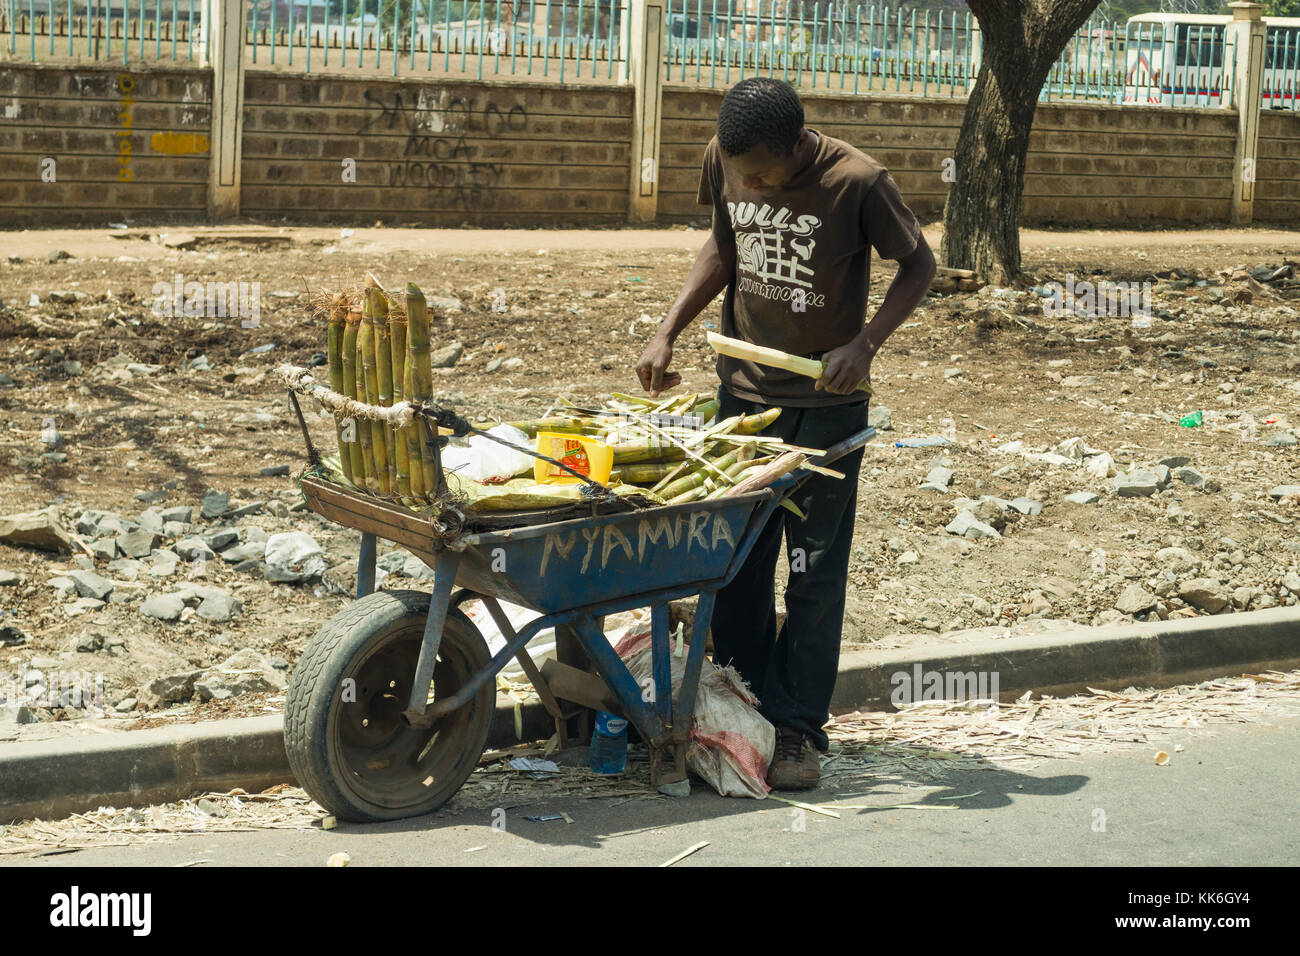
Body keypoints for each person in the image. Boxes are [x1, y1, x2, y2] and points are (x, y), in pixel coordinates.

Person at [634, 77, 936, 791]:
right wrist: (667, 329)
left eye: (761, 172)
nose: (749, 183)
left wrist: (865, 345)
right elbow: (722, 245)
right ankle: (749, 708)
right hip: (741, 397)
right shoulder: (727, 155)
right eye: (740, 172)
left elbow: (919, 264)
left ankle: (798, 730)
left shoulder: (858, 182)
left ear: (796, 145)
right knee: (734, 564)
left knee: (811, 574)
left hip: (825, 409)